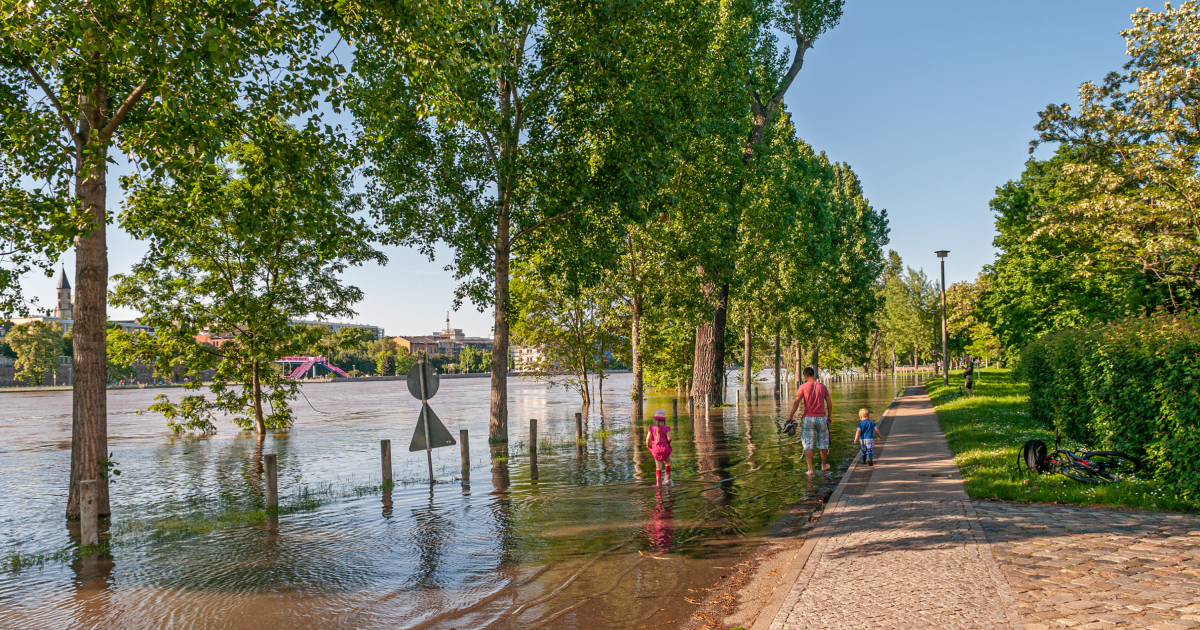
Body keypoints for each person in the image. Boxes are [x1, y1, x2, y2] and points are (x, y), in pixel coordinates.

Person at [787, 366, 833, 476]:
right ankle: (823, 465)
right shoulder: (823, 387)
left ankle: (810, 469)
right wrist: (829, 417)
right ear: (814, 375)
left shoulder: (803, 387)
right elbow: (829, 403)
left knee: (808, 444)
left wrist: (791, 416)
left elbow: (797, 402)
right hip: (821, 418)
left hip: (808, 418)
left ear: (805, 376)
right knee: (823, 443)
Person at [646, 409, 673, 485]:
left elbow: (648, 438)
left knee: (658, 467)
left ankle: (658, 484)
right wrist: (668, 443)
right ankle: (667, 480)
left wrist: (648, 445)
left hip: (656, 450)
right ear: (663, 420)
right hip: (665, 449)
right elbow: (669, 438)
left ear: (655, 419)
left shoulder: (651, 428)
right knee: (667, 463)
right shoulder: (666, 428)